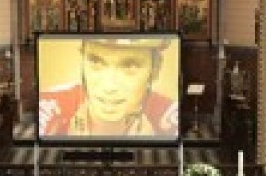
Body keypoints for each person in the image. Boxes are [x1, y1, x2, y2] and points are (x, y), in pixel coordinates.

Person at [40, 37, 178, 137]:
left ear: (155, 70)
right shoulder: (48, 105)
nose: (109, 87)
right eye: (95, 62)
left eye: (130, 66)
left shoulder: (171, 115)